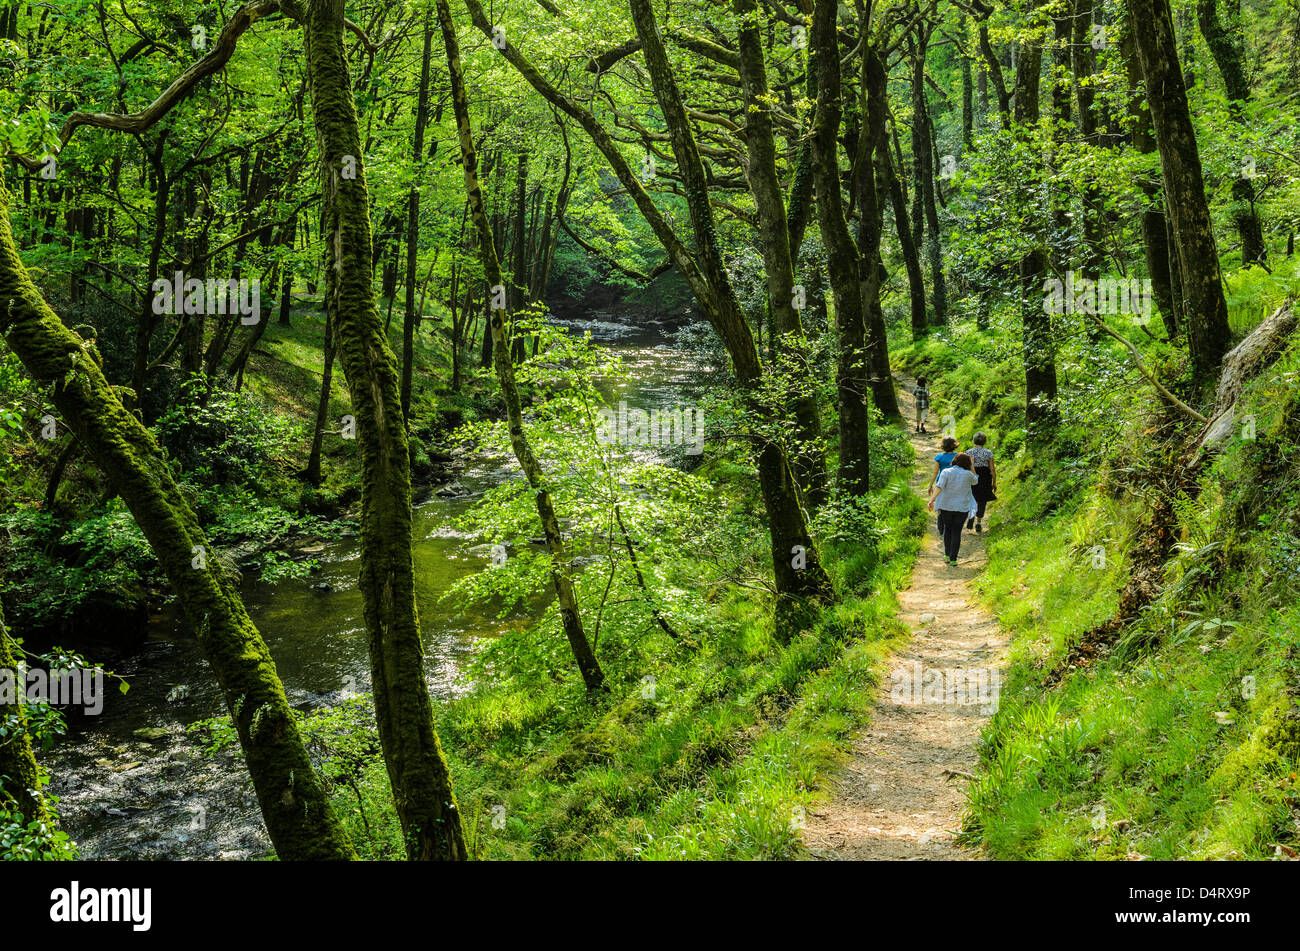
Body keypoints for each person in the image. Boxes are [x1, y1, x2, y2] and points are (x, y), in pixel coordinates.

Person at [928, 452, 978, 566]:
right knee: (957, 532)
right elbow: (975, 481)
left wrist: (932, 500)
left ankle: (947, 555)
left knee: (948, 529)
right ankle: (954, 559)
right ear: (967, 463)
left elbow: (939, 486)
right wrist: (972, 466)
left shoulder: (946, 472)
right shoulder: (968, 474)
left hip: (946, 506)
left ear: (954, 460)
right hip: (962, 507)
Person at [966, 431, 997, 533]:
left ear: (974, 441)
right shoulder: (989, 453)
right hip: (985, 477)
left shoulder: (969, 452)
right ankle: (978, 522)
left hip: (972, 475)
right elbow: (992, 468)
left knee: (972, 497)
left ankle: (971, 517)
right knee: (982, 500)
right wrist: (994, 482)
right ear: (985, 441)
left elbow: (966, 467)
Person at [929, 437, 959, 536]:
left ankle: (941, 526)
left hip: (941, 483)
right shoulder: (958, 456)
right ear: (954, 445)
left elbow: (935, 472)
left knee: (941, 503)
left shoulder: (939, 457)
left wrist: (930, 485)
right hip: (955, 482)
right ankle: (951, 524)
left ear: (943, 446)